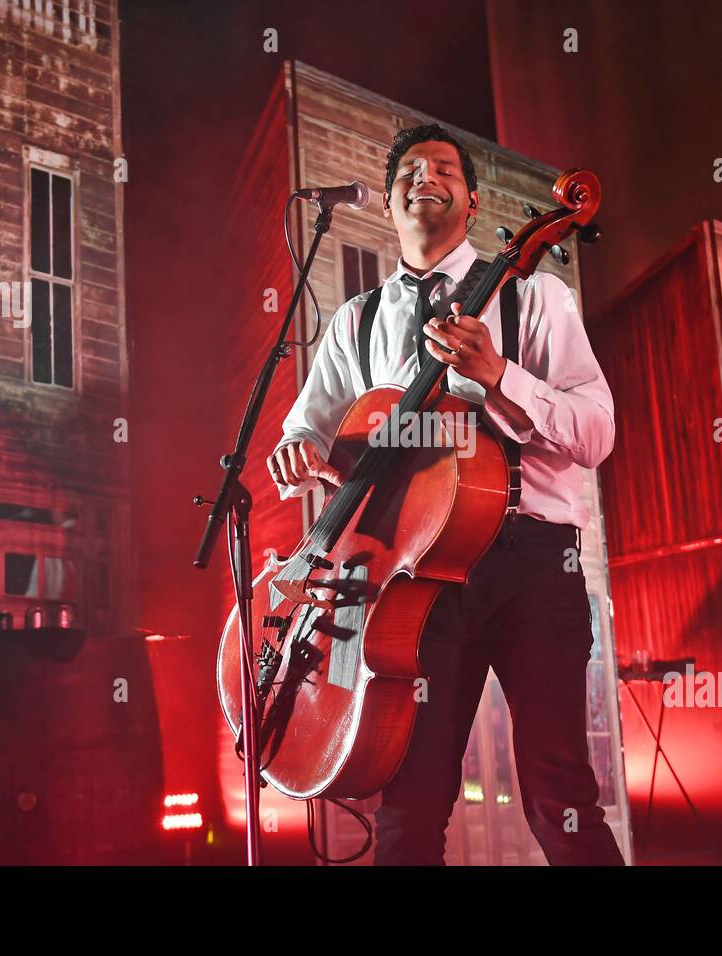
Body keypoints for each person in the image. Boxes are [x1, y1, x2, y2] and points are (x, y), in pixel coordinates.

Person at [266, 124, 624, 866]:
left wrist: (502, 377)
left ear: (473, 200)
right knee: (409, 806)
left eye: (443, 169)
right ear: (391, 204)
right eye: (409, 171)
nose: (423, 176)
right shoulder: (354, 322)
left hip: (534, 566)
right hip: (416, 582)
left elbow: (597, 433)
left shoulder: (536, 296)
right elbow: (307, 425)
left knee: (559, 796)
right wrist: (297, 447)